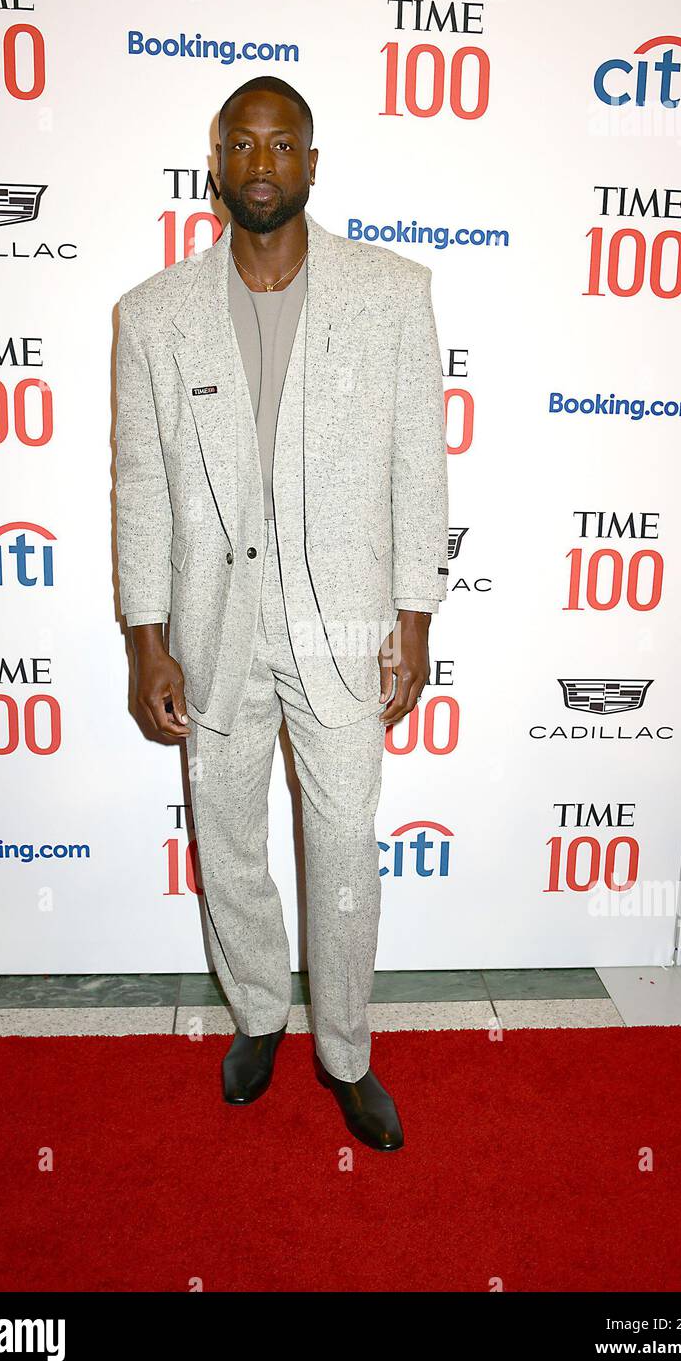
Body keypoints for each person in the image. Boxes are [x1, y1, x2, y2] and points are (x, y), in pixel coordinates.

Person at [114, 75, 448, 1151]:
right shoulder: (151, 316)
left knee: (344, 840)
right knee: (229, 837)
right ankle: (258, 1013)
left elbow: (415, 465)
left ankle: (344, 1050)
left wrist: (416, 614)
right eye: (241, 146)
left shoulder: (391, 293)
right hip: (212, 623)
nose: (261, 165)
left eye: (281, 145)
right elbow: (141, 487)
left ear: (311, 161)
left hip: (345, 622)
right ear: (215, 161)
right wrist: (146, 636)